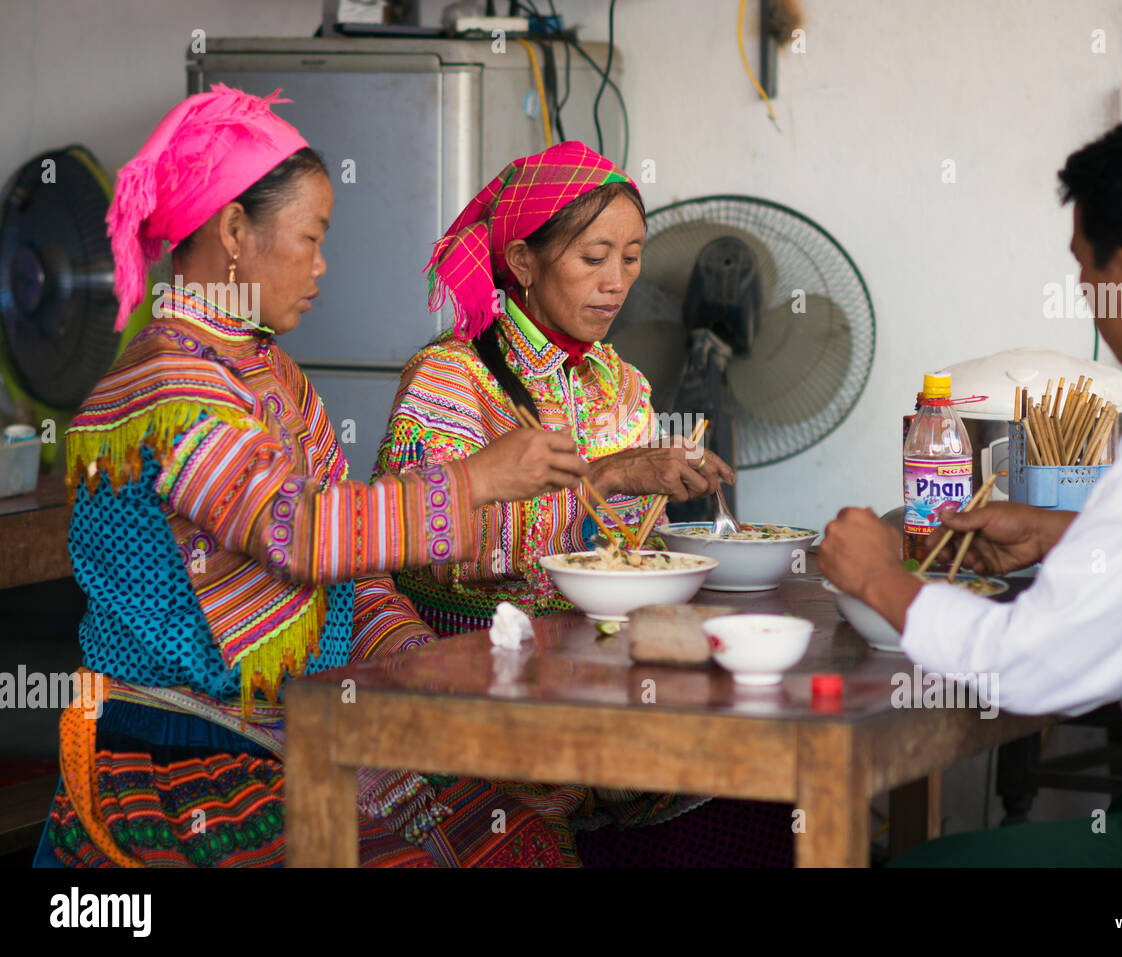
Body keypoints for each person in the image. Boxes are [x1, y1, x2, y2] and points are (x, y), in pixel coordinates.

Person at [34, 86, 612, 868]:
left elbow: (352, 560)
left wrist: (426, 664)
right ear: (236, 229)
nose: (322, 264)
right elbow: (296, 531)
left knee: (515, 829)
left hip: (290, 720)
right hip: (180, 747)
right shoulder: (170, 381)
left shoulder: (274, 375)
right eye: (311, 237)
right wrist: (472, 481)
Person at [820, 107, 1122, 866]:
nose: (1080, 288)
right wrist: (1061, 533)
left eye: (1085, 266)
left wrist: (880, 577)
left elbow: (1036, 671)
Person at [375, 140, 734, 634]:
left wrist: (661, 489)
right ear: (523, 261)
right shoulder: (449, 378)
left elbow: (640, 546)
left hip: (599, 651)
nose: (617, 282)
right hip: (472, 663)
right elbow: (419, 543)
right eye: (593, 258)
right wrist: (603, 478)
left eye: (631, 258)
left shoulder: (621, 384)